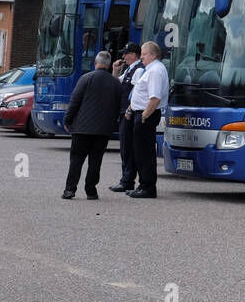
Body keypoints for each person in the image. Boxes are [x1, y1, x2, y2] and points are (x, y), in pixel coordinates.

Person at [61, 50, 122, 200]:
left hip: (82, 127)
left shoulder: (86, 78)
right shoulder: (115, 83)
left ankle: (70, 189)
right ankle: (91, 190)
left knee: (76, 159)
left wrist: (67, 120)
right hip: (103, 130)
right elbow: (118, 105)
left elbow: (75, 100)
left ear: (95, 63)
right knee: (96, 160)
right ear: (108, 66)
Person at [126, 40, 169, 198]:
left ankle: (148, 187)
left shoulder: (156, 71)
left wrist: (143, 116)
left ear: (153, 55)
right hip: (141, 113)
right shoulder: (150, 69)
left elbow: (155, 97)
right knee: (139, 151)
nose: (141, 57)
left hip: (147, 115)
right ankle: (143, 184)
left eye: (144, 54)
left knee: (144, 152)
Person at [108, 42, 143, 193]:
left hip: (130, 113)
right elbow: (116, 84)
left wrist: (129, 110)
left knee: (128, 147)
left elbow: (136, 92)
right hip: (124, 112)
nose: (123, 56)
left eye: (125, 53)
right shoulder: (130, 69)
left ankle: (127, 180)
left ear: (134, 55)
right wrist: (115, 71)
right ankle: (125, 178)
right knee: (124, 147)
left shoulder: (139, 69)